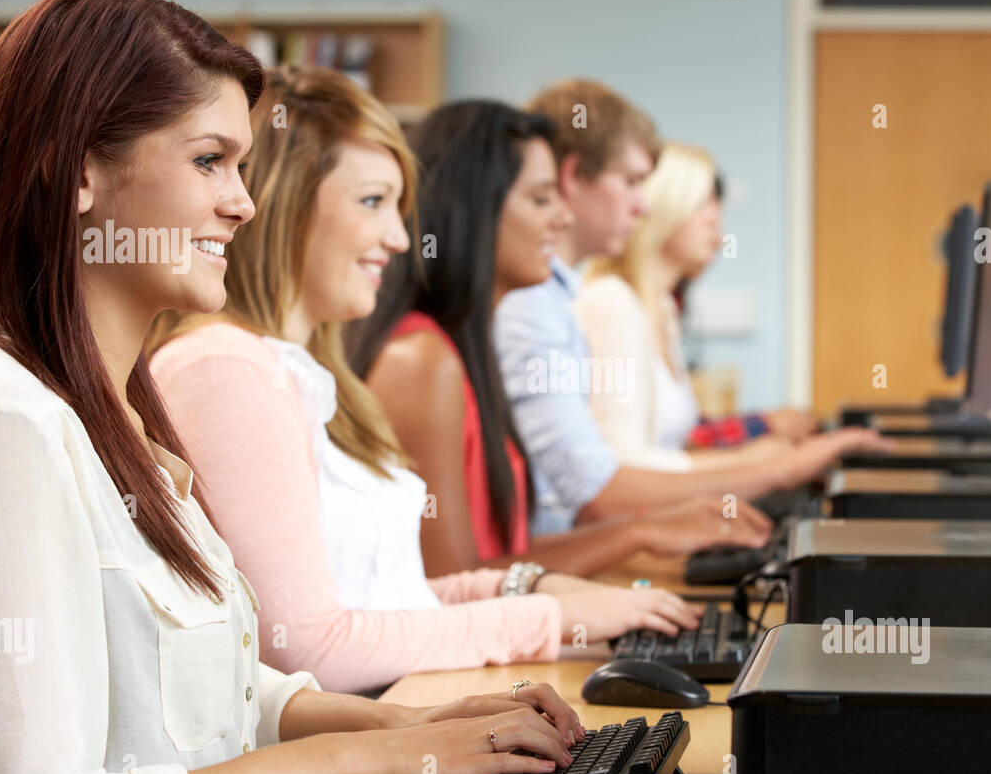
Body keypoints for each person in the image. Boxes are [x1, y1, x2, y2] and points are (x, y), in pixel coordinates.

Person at [0, 0, 581, 774]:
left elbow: (226, 698)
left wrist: (415, 728)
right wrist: (360, 767)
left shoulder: (124, 423)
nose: (242, 201)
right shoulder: (4, 427)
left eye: (241, 164)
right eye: (209, 160)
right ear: (77, 173)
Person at [148, 68, 701, 696]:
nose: (398, 237)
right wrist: (544, 617)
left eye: (399, 207)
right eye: (372, 202)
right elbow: (306, 648)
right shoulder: (226, 368)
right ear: (286, 204)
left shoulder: (308, 376)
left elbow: (386, 597)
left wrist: (523, 590)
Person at [352, 100, 772, 578]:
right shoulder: (424, 359)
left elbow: (497, 558)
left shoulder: (471, 345)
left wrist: (644, 531)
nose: (563, 217)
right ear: (476, 210)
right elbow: (455, 584)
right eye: (540, 199)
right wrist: (638, 533)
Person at [493, 78, 893, 534]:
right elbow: (601, 487)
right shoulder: (588, 304)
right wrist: (767, 466)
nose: (642, 205)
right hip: (572, 551)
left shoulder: (602, 303)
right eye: (632, 182)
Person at [577, 141, 823, 470]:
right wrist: (745, 462)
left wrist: (761, 439)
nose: (716, 222)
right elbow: (620, 464)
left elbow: (677, 439)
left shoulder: (661, 309)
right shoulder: (611, 302)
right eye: (702, 203)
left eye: (717, 206)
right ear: (660, 204)